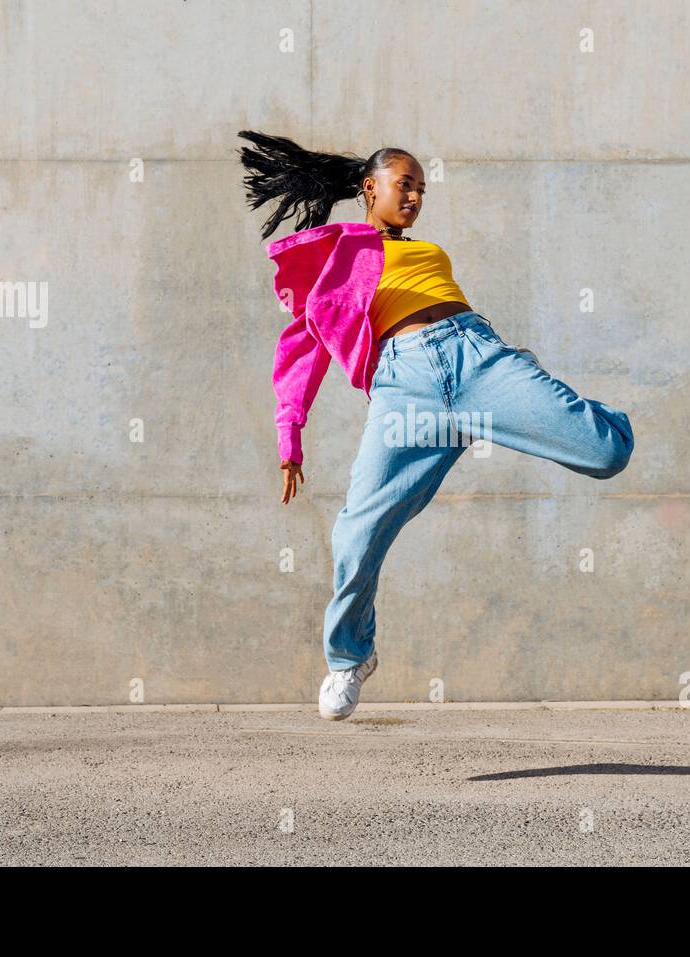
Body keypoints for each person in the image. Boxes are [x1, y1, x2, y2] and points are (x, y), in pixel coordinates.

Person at [237, 131, 635, 720]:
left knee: (608, 452)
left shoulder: (427, 251)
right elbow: (302, 348)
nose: (416, 197)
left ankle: (524, 390)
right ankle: (350, 657)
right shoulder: (337, 258)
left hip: (474, 358)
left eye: (422, 188)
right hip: (405, 389)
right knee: (358, 529)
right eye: (405, 184)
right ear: (370, 187)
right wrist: (289, 436)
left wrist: (509, 374)